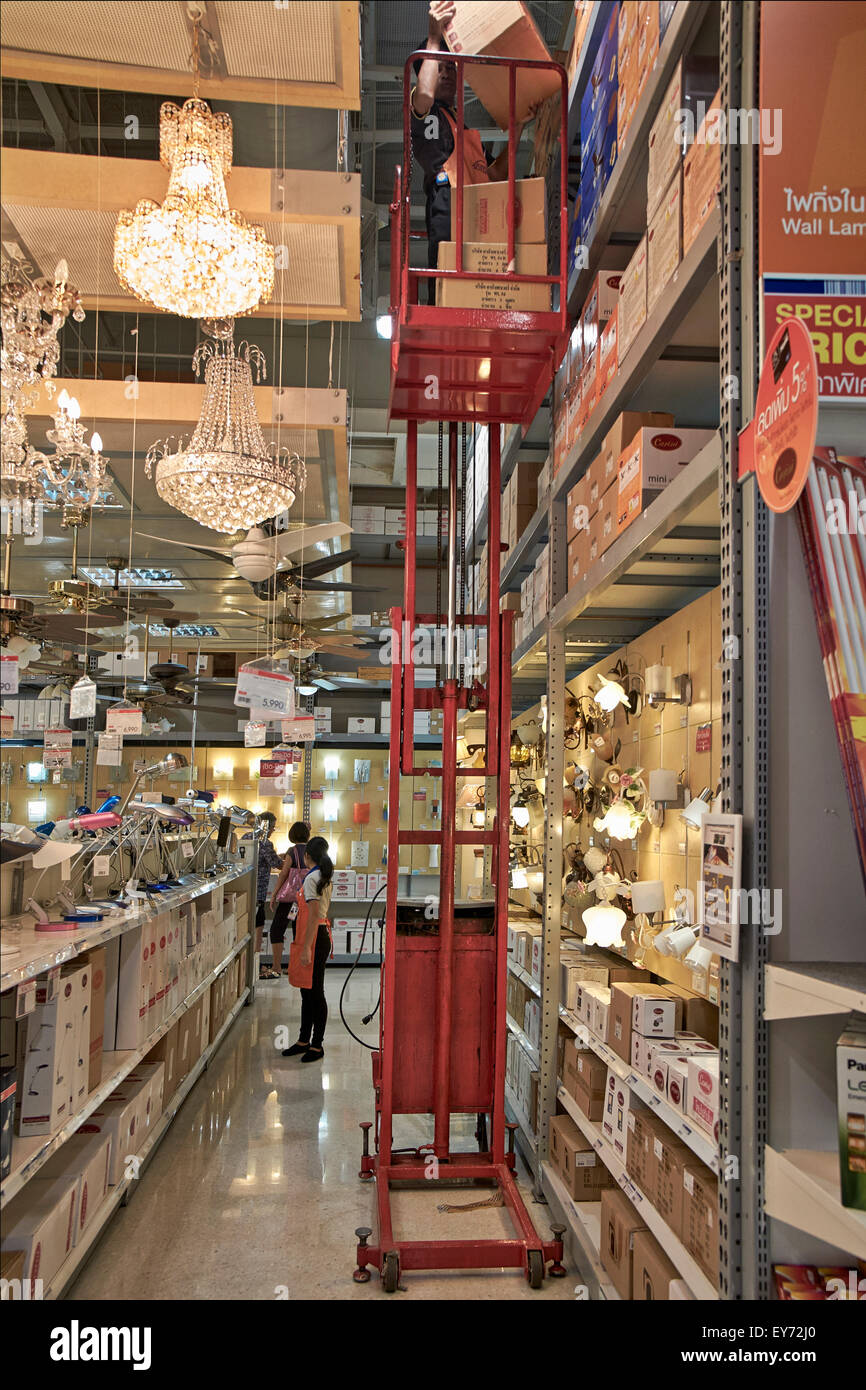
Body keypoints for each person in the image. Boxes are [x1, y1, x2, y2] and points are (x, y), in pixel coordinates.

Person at [410, 1, 522, 301]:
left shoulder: (464, 128)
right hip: (450, 209)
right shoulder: (422, 109)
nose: (446, 73)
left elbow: (495, 174)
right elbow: (424, 93)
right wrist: (434, 38)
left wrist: (517, 131)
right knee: (448, 293)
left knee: (481, 289)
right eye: (438, 67)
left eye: (451, 67)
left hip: (480, 214)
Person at [281, 835, 334, 1063]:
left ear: (307, 856)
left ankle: (317, 1044)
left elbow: (313, 915)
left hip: (314, 938)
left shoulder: (313, 879)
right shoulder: (319, 875)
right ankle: (304, 1040)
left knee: (315, 992)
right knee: (306, 991)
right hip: (312, 937)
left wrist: (306, 949)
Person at [267, 821, 311, 979]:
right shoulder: (311, 850)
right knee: (297, 931)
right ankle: (295, 966)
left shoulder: (292, 851)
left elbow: (284, 874)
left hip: (290, 900)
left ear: (292, 835)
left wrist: (274, 894)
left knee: (277, 930)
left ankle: (277, 966)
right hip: (303, 899)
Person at [243, 813, 283, 980]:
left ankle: (248, 967)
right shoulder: (265, 842)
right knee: (258, 930)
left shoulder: (245, 836)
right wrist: (288, 861)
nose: (273, 830)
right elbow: (276, 864)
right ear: (267, 826)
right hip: (258, 893)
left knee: (246, 930)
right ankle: (255, 968)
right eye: (273, 827)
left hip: (245, 889)